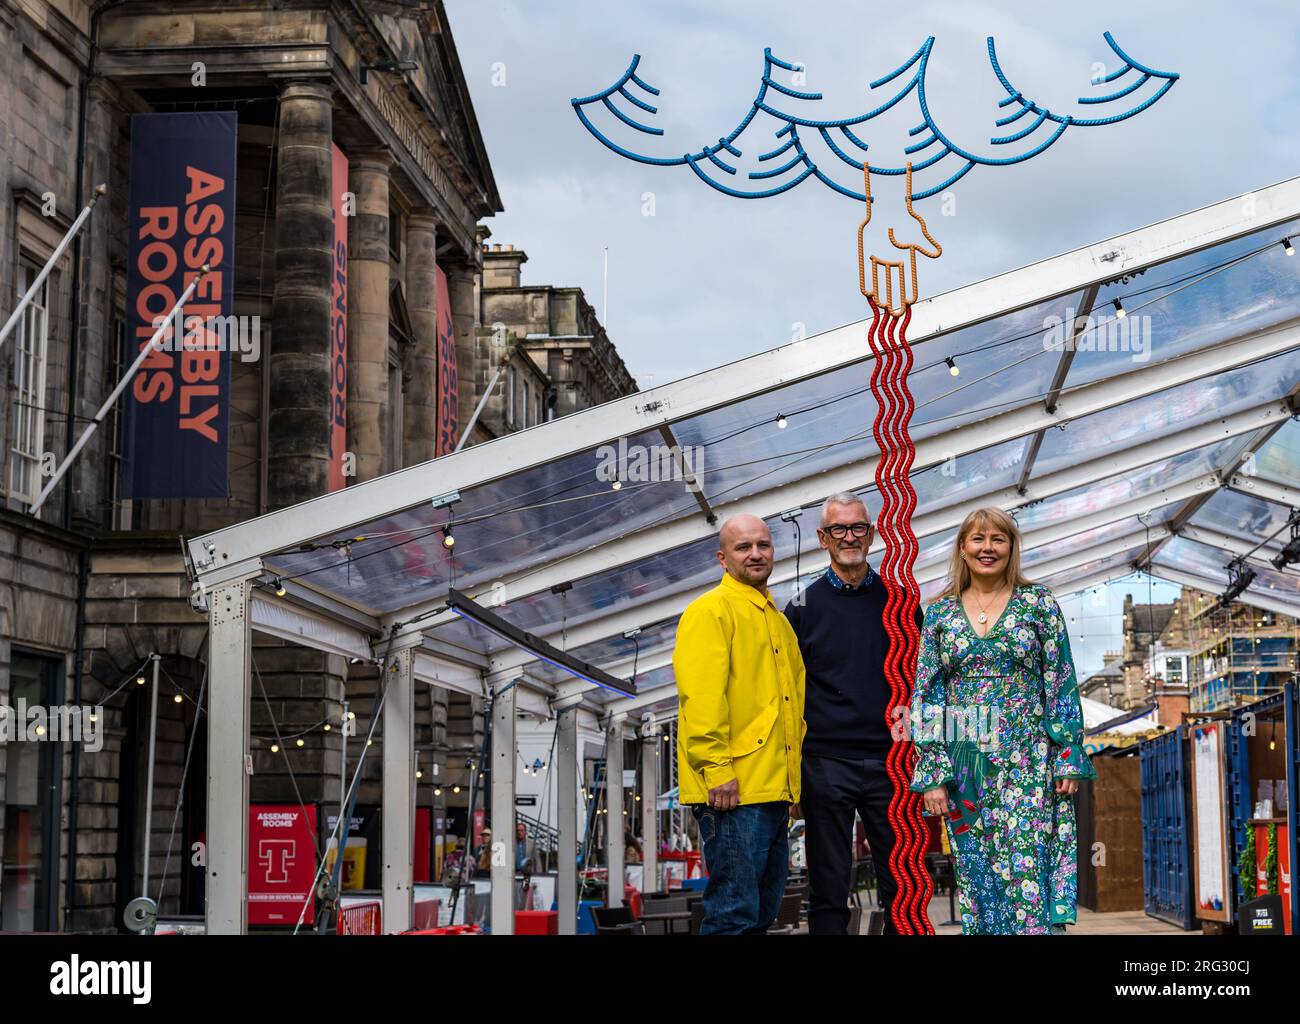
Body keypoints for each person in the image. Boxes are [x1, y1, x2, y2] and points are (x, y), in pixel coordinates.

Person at [910, 506, 1096, 934]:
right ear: (962, 547)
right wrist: (934, 772)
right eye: (977, 539)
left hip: (1028, 761)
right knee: (978, 878)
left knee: (1029, 868)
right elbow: (927, 696)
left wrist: (1067, 753)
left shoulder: (1038, 603)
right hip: (966, 765)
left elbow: (1060, 680)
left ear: (1011, 547)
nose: (987, 548)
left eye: (998, 539)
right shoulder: (938, 615)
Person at [784, 493, 915, 934]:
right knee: (828, 886)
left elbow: (923, 681)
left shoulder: (902, 604)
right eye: (838, 529)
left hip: (892, 763)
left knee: (902, 884)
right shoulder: (801, 608)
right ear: (822, 538)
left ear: (872, 534)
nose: (849, 537)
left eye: (857, 527)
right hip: (825, 763)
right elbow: (788, 693)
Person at [674, 513, 806, 934]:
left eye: (763, 545)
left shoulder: (778, 621)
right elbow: (702, 699)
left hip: (771, 792)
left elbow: (792, 709)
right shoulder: (710, 612)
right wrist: (716, 769)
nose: (755, 554)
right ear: (722, 558)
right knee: (733, 915)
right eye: (743, 547)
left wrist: (793, 786)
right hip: (731, 793)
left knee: (761, 914)